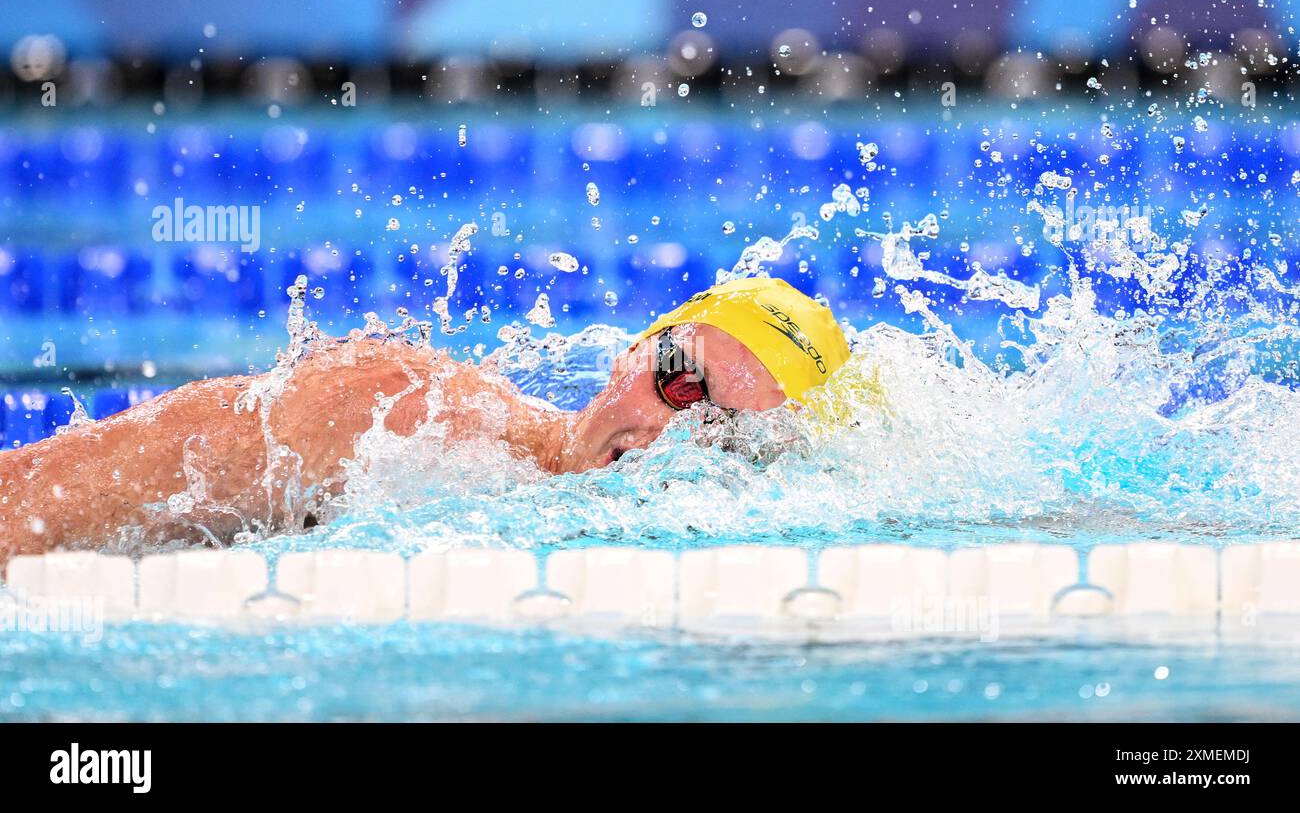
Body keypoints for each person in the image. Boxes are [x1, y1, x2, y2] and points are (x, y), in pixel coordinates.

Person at [0, 277, 850, 562]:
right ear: (635, 349)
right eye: (678, 380)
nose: (670, 436)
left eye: (726, 435)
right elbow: (31, 504)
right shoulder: (396, 414)